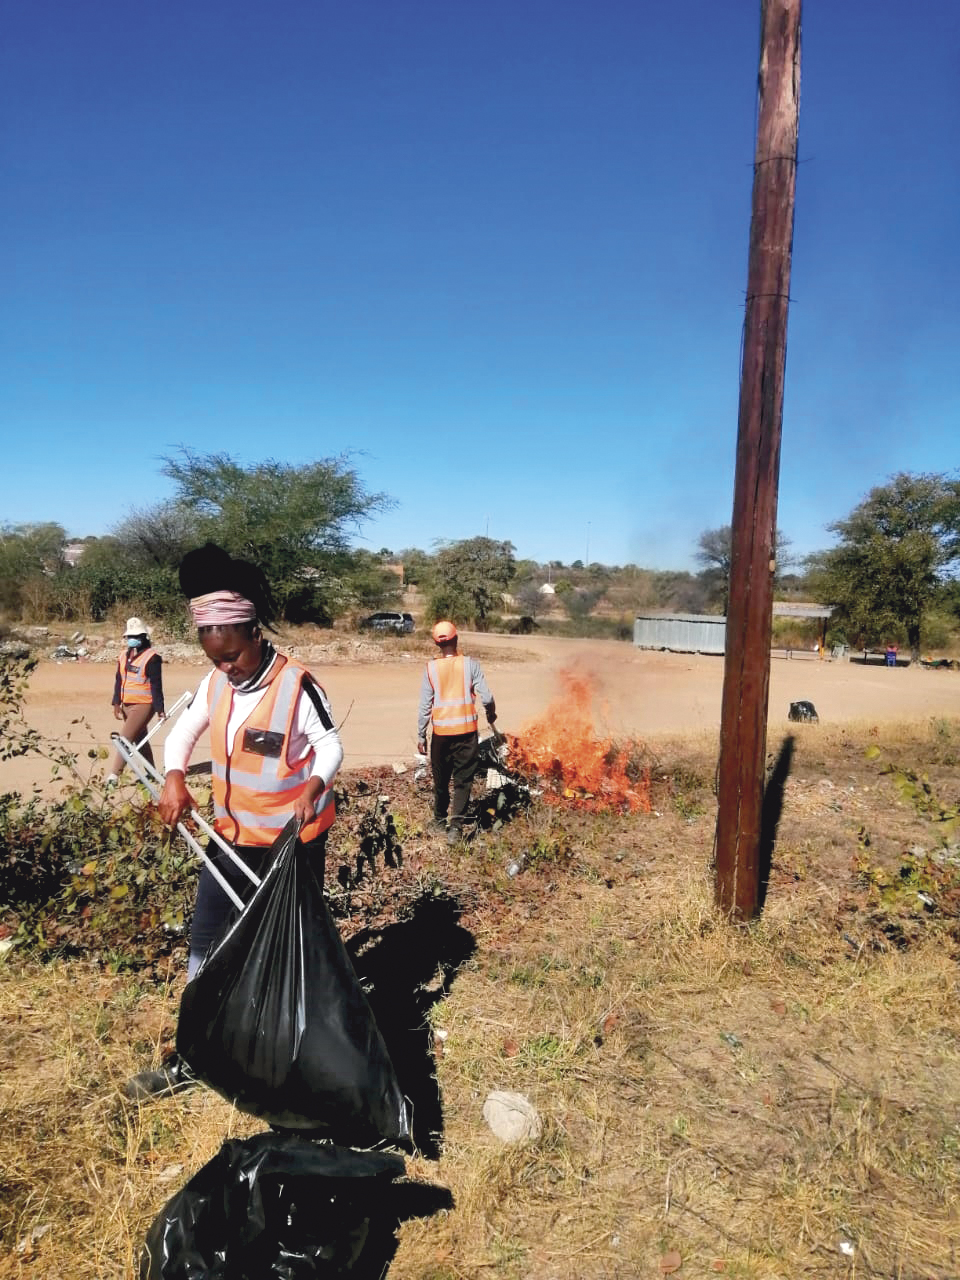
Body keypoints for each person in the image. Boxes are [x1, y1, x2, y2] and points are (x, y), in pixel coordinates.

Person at [125, 543, 343, 1099]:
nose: (225, 666)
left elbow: (329, 747)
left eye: (232, 655)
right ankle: (193, 1055)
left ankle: (287, 1057)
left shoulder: (297, 684)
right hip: (229, 839)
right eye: (213, 656)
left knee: (287, 948)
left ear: (253, 634)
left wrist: (315, 785)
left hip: (289, 848)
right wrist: (174, 777)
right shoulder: (215, 684)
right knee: (206, 942)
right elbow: (179, 736)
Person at [417, 620, 497, 844]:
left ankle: (439, 820)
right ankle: (456, 829)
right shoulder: (470, 664)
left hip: (441, 736)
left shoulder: (430, 668)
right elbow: (488, 697)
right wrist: (491, 714)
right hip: (466, 735)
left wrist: (420, 735)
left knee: (441, 781)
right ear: (456, 639)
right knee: (463, 781)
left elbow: (425, 706)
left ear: (436, 644)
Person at [104, 617, 164, 784]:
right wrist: (116, 703)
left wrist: (160, 710)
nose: (132, 639)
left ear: (144, 637)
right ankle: (152, 772)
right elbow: (119, 680)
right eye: (130, 636)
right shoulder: (123, 656)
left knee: (125, 739)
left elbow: (156, 686)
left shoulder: (153, 658)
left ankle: (114, 776)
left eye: (136, 636)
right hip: (126, 704)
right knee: (139, 739)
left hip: (144, 704)